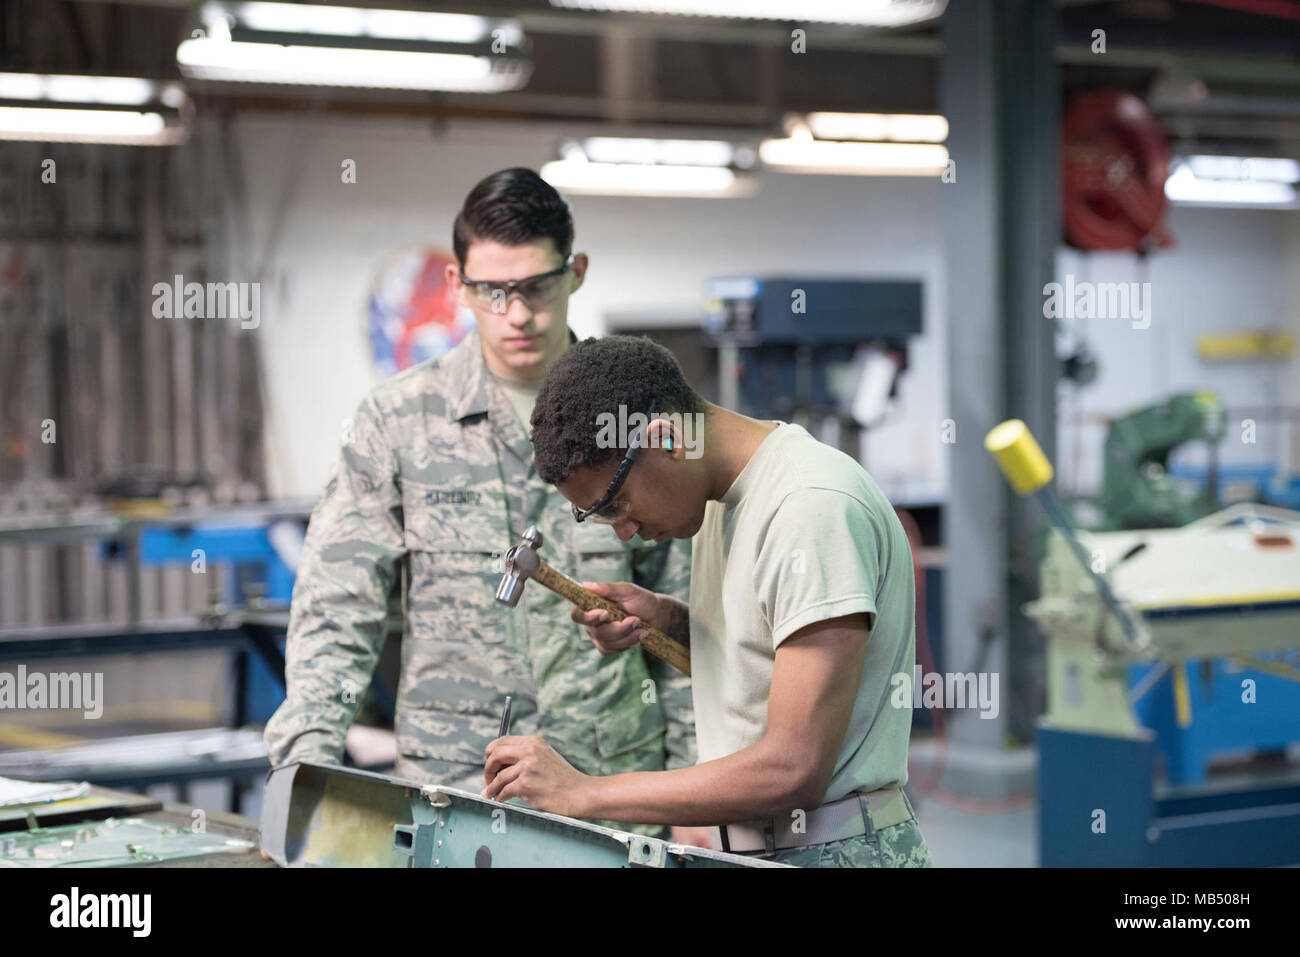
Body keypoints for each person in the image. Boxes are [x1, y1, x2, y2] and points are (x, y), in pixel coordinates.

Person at [263, 170, 697, 840]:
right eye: (494, 292)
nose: (518, 313)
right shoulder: (397, 422)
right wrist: (304, 775)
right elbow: (337, 606)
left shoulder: (634, 413)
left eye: (536, 287)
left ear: (576, 272)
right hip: (450, 801)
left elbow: (689, 621)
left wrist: (692, 792)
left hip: (616, 794)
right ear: (458, 286)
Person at [481, 334, 934, 867]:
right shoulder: (719, 501)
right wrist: (666, 622)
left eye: (616, 504)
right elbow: (765, 669)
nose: (623, 533)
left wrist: (583, 792)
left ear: (669, 440)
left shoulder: (810, 506)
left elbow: (794, 768)